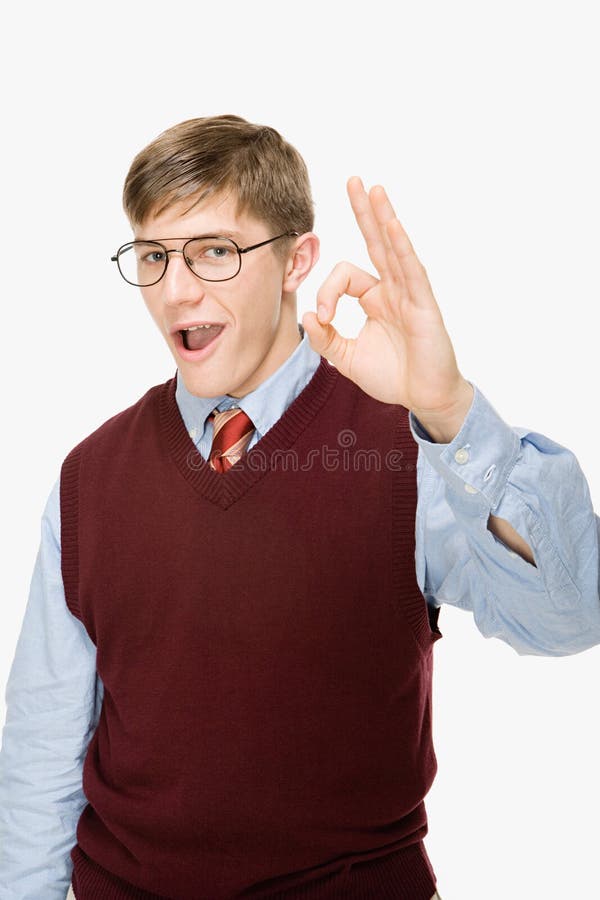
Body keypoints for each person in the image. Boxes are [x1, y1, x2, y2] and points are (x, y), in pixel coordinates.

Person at [0, 115, 598, 900]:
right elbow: (41, 760)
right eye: (153, 256)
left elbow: (571, 615)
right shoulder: (89, 477)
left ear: (296, 261)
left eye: (215, 251)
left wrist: (451, 410)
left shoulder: (407, 450)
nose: (176, 290)